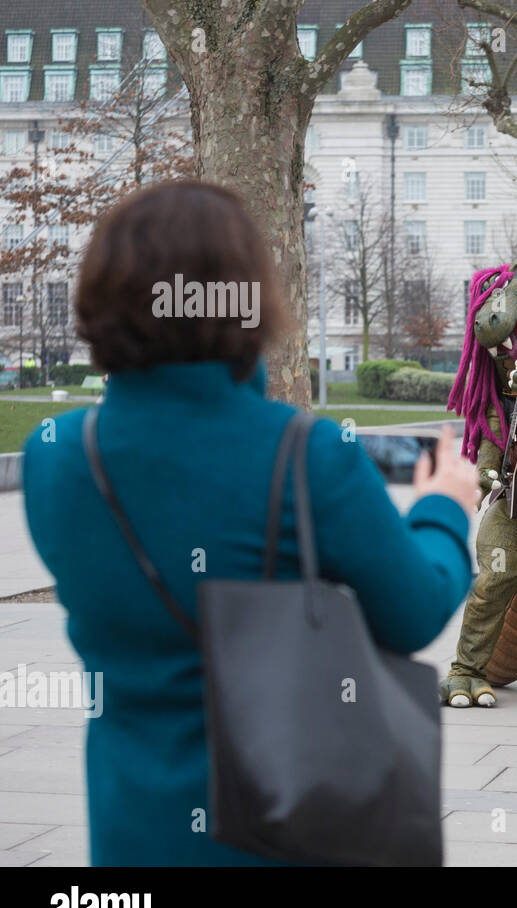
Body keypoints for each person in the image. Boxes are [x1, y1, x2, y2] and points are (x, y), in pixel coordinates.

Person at [22, 181, 480, 866]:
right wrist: (446, 505)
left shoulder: (55, 458)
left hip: (130, 840)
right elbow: (414, 611)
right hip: (279, 831)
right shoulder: (307, 454)